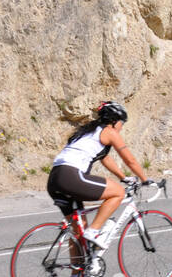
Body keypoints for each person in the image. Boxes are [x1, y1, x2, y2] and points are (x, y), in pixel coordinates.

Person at [47, 101, 148, 249]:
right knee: (118, 192)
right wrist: (146, 180)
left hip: (54, 180)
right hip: (71, 176)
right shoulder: (110, 132)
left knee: (78, 233)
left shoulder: (88, 132)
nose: (121, 127)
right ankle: (94, 231)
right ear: (114, 121)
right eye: (122, 123)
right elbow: (130, 160)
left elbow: (105, 158)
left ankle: (78, 272)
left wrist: (123, 177)